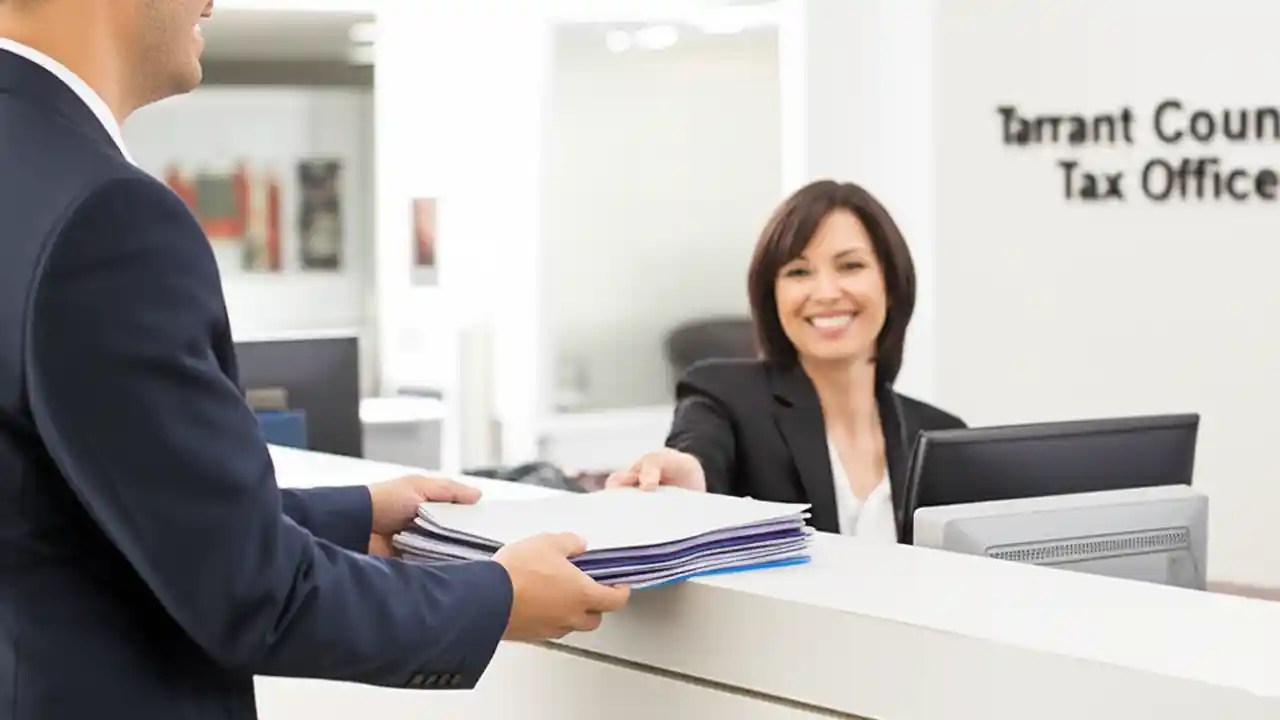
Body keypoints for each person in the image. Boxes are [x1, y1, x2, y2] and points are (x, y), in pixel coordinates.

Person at [0, 1, 627, 718]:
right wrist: (500, 597)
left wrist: (350, 514)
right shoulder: (105, 211)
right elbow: (255, 597)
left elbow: (62, 505)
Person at [607, 180, 965, 543]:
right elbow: (699, 452)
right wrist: (686, 476)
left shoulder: (942, 436)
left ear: (890, 285)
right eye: (799, 272)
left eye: (850, 266)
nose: (826, 293)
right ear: (772, 296)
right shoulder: (725, 396)